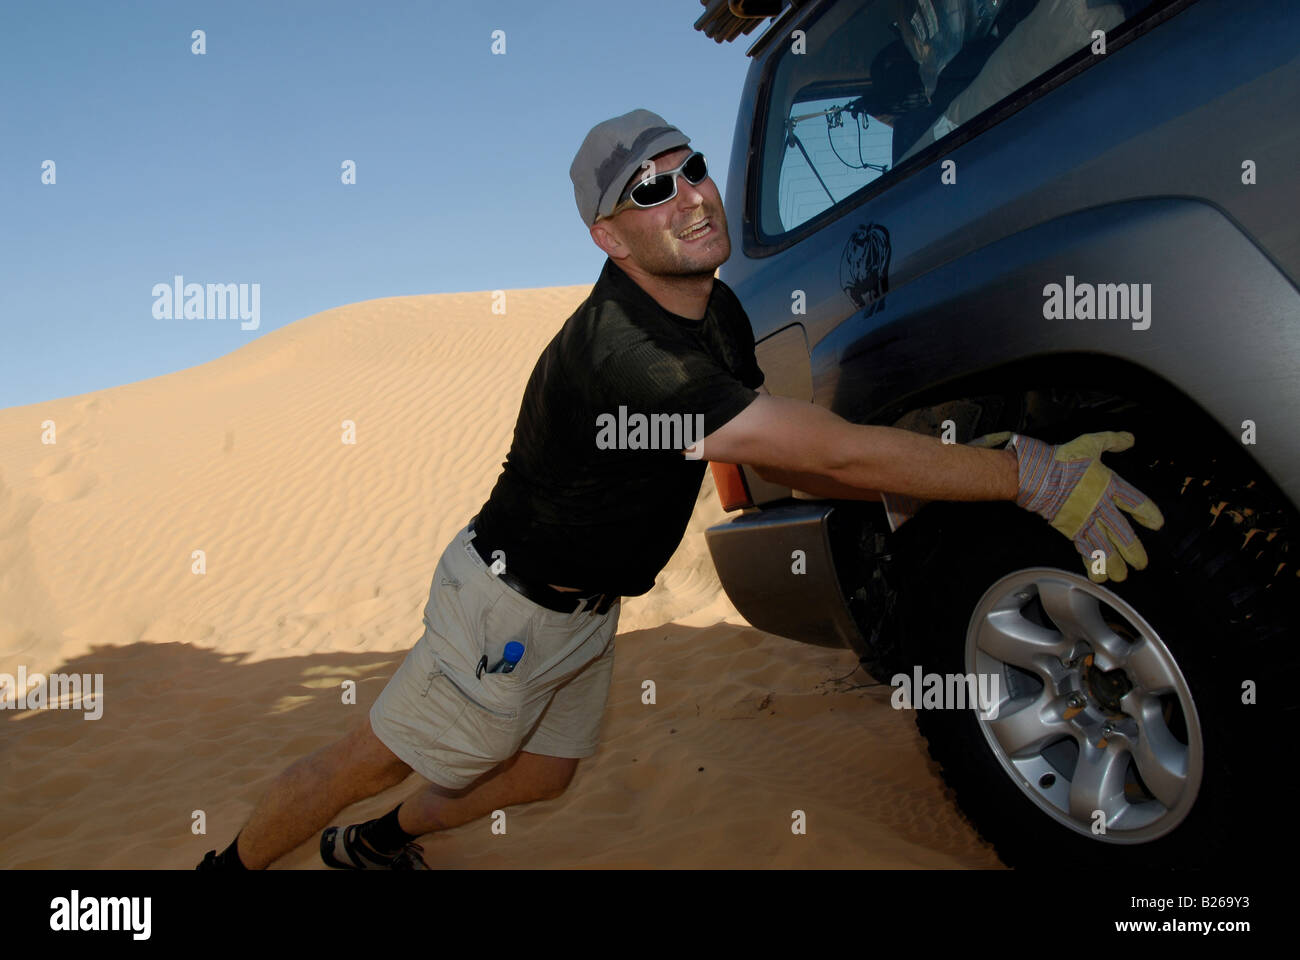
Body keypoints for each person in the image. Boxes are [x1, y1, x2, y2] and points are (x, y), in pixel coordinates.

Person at [197, 108, 1162, 870]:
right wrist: (1024, 475)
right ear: (609, 237)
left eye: (692, 168)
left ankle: (379, 840)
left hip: (583, 611)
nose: (691, 198)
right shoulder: (631, 354)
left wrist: (938, 478)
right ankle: (226, 871)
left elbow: (792, 457)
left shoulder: (716, 307)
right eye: (651, 192)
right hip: (506, 609)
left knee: (543, 776)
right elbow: (829, 454)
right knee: (365, 758)